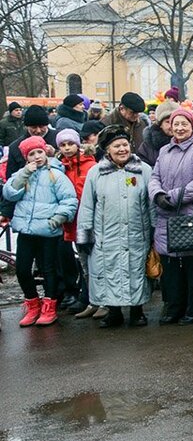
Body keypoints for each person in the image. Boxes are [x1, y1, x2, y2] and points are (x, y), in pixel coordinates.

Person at [75, 125, 153, 327]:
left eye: (125, 145)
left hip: (137, 234)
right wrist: (84, 236)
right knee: (109, 272)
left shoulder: (143, 170)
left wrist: (155, 231)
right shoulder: (96, 173)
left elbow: (151, 204)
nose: (122, 149)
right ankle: (114, 311)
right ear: (107, 149)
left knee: (136, 271)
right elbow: (87, 206)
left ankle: (137, 311)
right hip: (105, 236)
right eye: (116, 146)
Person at [150, 108, 193, 325]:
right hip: (167, 216)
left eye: (184, 124)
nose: (179, 128)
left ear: (192, 126)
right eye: (175, 124)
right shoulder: (165, 151)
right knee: (170, 267)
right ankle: (174, 308)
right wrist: (157, 194)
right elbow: (154, 177)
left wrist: (172, 197)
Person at [4, 136, 79, 326]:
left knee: (49, 269)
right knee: (22, 269)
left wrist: (57, 219)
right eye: (32, 154)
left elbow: (69, 199)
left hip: (48, 230)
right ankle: (32, 303)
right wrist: (24, 174)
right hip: (26, 230)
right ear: (26, 157)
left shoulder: (56, 174)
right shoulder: (23, 174)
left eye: (39, 152)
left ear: (45, 152)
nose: (37, 157)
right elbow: (9, 193)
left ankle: (49, 305)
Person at [56, 128, 95, 313]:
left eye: (70, 144)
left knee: (92, 261)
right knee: (83, 262)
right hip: (72, 222)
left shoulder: (89, 165)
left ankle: (93, 299)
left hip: (89, 220)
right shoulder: (60, 167)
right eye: (63, 145)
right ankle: (87, 298)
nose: (67, 148)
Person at [136, 100, 180, 166]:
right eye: (168, 122)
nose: (172, 126)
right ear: (160, 125)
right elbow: (142, 168)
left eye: (176, 121)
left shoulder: (191, 143)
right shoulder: (148, 145)